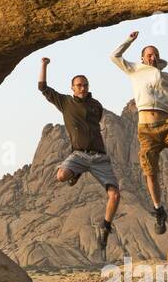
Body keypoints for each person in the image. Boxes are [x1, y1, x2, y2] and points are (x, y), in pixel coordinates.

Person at [110, 30, 168, 234]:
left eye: (155, 54)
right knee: (150, 172)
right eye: (149, 54)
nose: (152, 57)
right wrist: (129, 40)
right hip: (146, 130)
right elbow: (114, 56)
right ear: (143, 58)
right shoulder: (135, 70)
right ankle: (158, 210)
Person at [37, 56, 121, 253]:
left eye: (84, 85)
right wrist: (44, 65)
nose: (82, 87)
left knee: (115, 195)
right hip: (79, 155)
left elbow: (96, 121)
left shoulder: (96, 105)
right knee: (61, 176)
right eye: (78, 85)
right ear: (72, 88)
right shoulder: (65, 102)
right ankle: (76, 172)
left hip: (100, 157)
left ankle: (105, 227)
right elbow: (42, 87)